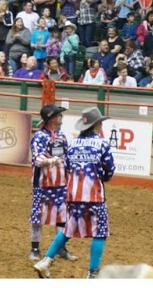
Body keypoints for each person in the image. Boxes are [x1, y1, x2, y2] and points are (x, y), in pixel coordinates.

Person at [34, 106, 115, 280]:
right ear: (97, 125)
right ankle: (92, 274)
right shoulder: (102, 144)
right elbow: (109, 170)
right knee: (100, 232)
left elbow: (68, 167)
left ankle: (45, 261)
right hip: (94, 195)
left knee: (68, 229)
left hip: (73, 195)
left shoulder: (73, 144)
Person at [29, 103, 81, 261]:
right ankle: (35, 249)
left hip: (61, 183)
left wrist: (71, 171)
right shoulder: (39, 137)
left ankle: (60, 248)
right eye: (59, 115)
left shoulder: (61, 136)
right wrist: (52, 160)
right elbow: (37, 158)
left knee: (62, 215)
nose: (61, 117)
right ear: (52, 118)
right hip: (43, 183)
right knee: (38, 216)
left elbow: (67, 156)